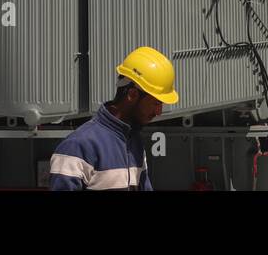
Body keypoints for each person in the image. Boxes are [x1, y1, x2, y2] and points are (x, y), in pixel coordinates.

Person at [48, 45, 179, 191]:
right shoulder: (77, 147)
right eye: (156, 103)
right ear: (132, 95)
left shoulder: (134, 142)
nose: (159, 112)